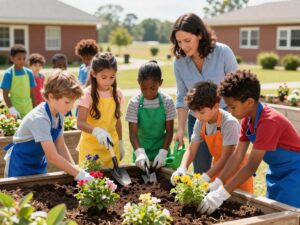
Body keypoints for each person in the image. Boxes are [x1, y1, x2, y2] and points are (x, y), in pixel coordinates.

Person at [198, 70, 300, 214]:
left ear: (250, 102)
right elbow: (237, 155)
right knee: (275, 214)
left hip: (295, 173)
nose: (230, 112)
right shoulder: (247, 120)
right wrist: (218, 182)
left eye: (233, 107)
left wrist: (221, 194)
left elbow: (251, 166)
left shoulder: (269, 121)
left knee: (290, 217)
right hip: (277, 171)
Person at [170, 13, 238, 173]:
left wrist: (236, 122)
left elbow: (236, 89)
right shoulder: (179, 63)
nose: (183, 46)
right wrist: (180, 129)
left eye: (187, 40)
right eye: (179, 42)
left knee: (226, 168)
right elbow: (181, 97)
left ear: (199, 35)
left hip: (225, 117)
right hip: (197, 119)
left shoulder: (223, 52)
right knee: (200, 169)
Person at [3, 69, 93, 182]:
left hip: (38, 163)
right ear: (51, 97)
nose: (70, 107)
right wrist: (80, 174)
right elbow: (52, 156)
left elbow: (60, 146)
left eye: (72, 102)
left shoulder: (59, 113)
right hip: (20, 165)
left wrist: (76, 171)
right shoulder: (40, 118)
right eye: (67, 102)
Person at [170, 81, 253, 193]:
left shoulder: (229, 123)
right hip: (217, 170)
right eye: (194, 112)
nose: (198, 116)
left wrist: (205, 178)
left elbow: (226, 157)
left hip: (236, 173)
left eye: (202, 112)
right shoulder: (201, 121)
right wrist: (182, 168)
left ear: (216, 106)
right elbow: (191, 149)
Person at [125, 61, 176, 170]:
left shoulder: (168, 102)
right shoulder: (134, 103)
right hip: (140, 150)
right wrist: (139, 153)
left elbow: (169, 131)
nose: (148, 92)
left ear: (160, 83)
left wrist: (163, 153)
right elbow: (133, 134)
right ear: (138, 82)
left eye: (153, 88)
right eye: (144, 88)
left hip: (162, 150)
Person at [76, 52, 125, 166]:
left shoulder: (117, 94)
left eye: (112, 77)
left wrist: (121, 143)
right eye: (103, 77)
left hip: (111, 149)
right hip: (91, 149)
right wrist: (96, 131)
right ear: (93, 74)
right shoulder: (87, 94)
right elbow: (80, 123)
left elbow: (117, 120)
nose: (108, 81)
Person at [1, 44, 36, 118]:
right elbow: (5, 95)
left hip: (28, 108)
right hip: (15, 109)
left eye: (24, 58)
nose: (22, 61)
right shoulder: (8, 74)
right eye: (19, 59)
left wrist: (34, 109)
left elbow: (32, 94)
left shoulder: (29, 73)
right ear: (12, 58)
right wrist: (11, 109)